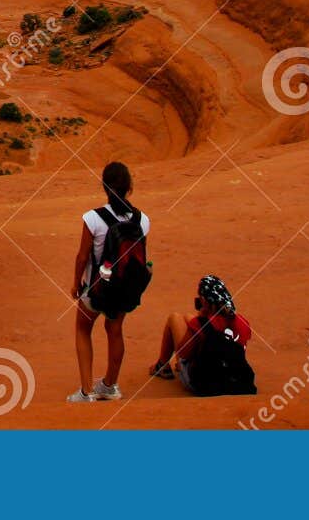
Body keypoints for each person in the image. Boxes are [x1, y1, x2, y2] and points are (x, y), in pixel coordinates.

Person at [67, 161, 151, 403]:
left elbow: (83, 256)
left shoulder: (93, 218)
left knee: (83, 330)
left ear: (104, 186)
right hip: (124, 290)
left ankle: (86, 392)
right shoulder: (142, 220)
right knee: (115, 331)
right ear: (129, 188)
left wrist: (76, 283)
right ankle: (110, 386)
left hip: (97, 289)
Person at [149, 275, 256, 396]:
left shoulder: (200, 323)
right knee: (188, 317)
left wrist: (201, 318)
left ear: (204, 301)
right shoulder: (242, 321)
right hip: (232, 377)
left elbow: (185, 353)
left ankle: (162, 365)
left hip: (202, 382)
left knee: (175, 318)